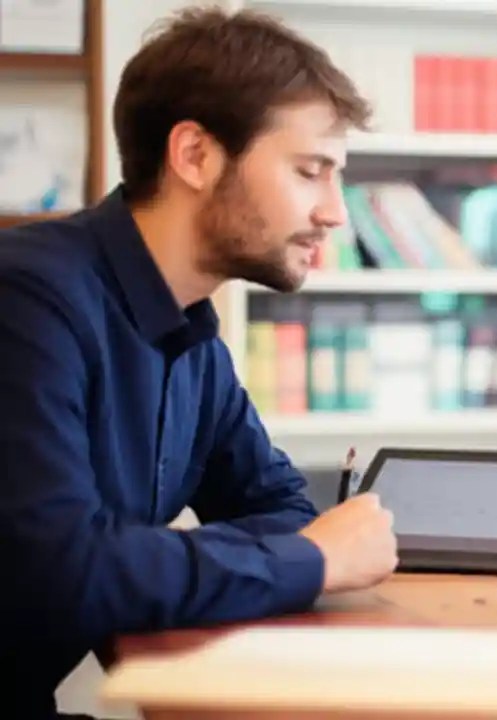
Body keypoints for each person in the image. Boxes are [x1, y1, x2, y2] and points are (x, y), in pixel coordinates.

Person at [0, 8, 398, 716]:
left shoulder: (192, 341)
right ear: (194, 156)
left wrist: (128, 560)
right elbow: (60, 573)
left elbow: (282, 507)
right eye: (312, 171)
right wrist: (313, 561)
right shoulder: (29, 298)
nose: (336, 212)